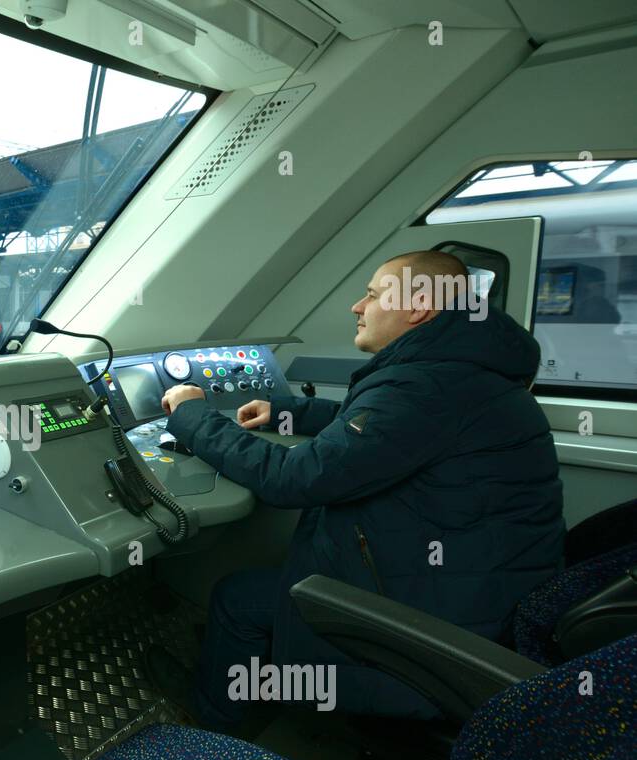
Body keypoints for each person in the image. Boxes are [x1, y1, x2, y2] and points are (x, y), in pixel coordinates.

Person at [151, 250, 565, 729]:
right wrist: (291, 412)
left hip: (436, 627)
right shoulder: (465, 370)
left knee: (236, 598)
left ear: (419, 308)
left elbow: (292, 479)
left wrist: (190, 415)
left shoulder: (422, 384)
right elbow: (392, 432)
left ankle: (213, 726)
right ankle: (251, 676)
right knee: (266, 589)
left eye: (371, 294)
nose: (356, 306)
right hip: (474, 598)